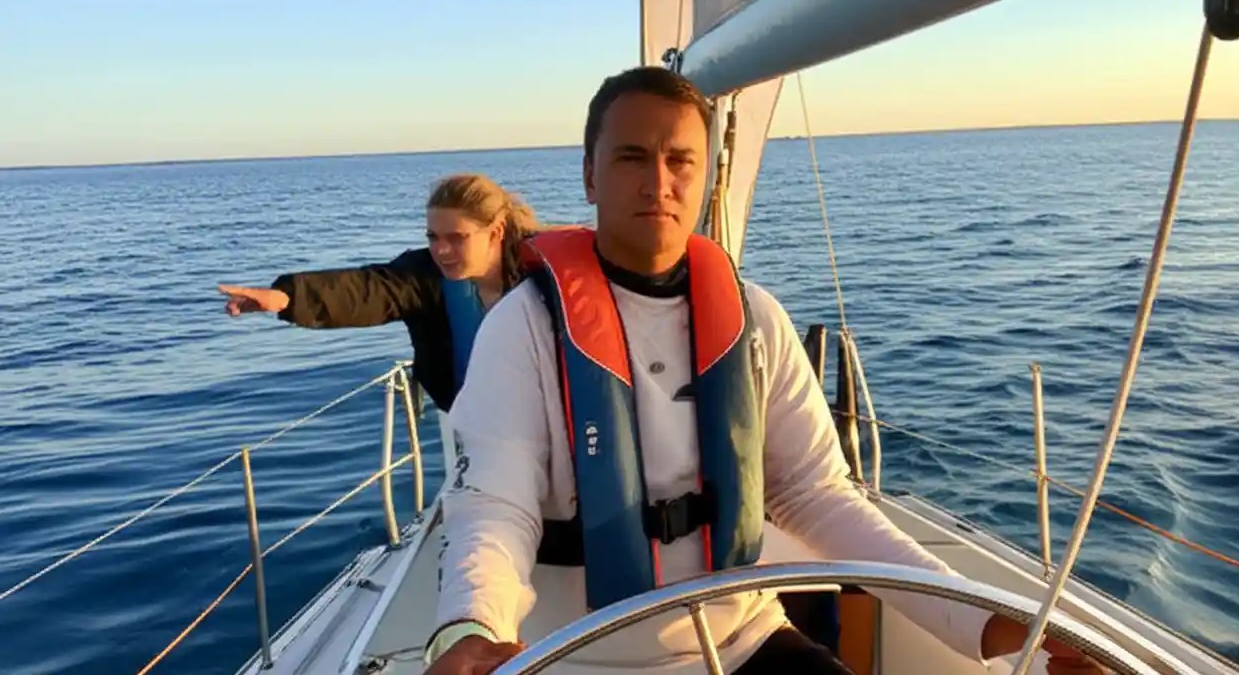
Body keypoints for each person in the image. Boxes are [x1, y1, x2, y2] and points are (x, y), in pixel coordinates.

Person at [423, 69, 1101, 674]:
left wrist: (992, 624)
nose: (658, 182)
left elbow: (816, 496)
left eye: (679, 159)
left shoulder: (754, 319)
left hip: (746, 639)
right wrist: (474, 624)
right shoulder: (525, 327)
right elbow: (493, 504)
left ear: (706, 173)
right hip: (582, 654)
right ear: (590, 175)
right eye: (632, 157)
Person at [217, 173, 544, 474]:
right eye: (433, 236)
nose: (441, 250)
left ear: (496, 231)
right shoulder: (423, 276)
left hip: (546, 424)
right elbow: (366, 290)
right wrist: (287, 298)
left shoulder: (544, 275)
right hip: (472, 429)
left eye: (456, 237)